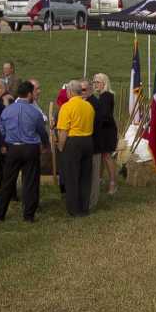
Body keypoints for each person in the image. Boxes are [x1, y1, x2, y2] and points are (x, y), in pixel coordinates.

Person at [0, 81, 48, 223]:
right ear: (29, 94)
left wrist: (3, 144)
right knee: (30, 181)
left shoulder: (7, 110)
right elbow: (41, 131)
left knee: (7, 181)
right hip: (30, 148)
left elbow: (2, 129)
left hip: (13, 148)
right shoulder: (34, 112)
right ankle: (28, 215)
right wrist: (45, 144)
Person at [55, 79, 96, 217]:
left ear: (70, 92)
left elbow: (63, 131)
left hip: (73, 142)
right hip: (88, 141)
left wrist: (61, 146)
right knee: (85, 175)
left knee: (72, 175)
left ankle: (74, 208)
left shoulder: (66, 107)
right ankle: (84, 207)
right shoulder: (89, 106)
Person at [90, 72, 119, 197]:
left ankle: (113, 183)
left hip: (107, 130)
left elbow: (105, 115)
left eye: (97, 82)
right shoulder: (103, 96)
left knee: (107, 156)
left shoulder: (106, 96)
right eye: (94, 82)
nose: (95, 84)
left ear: (104, 83)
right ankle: (100, 179)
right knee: (103, 156)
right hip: (104, 129)